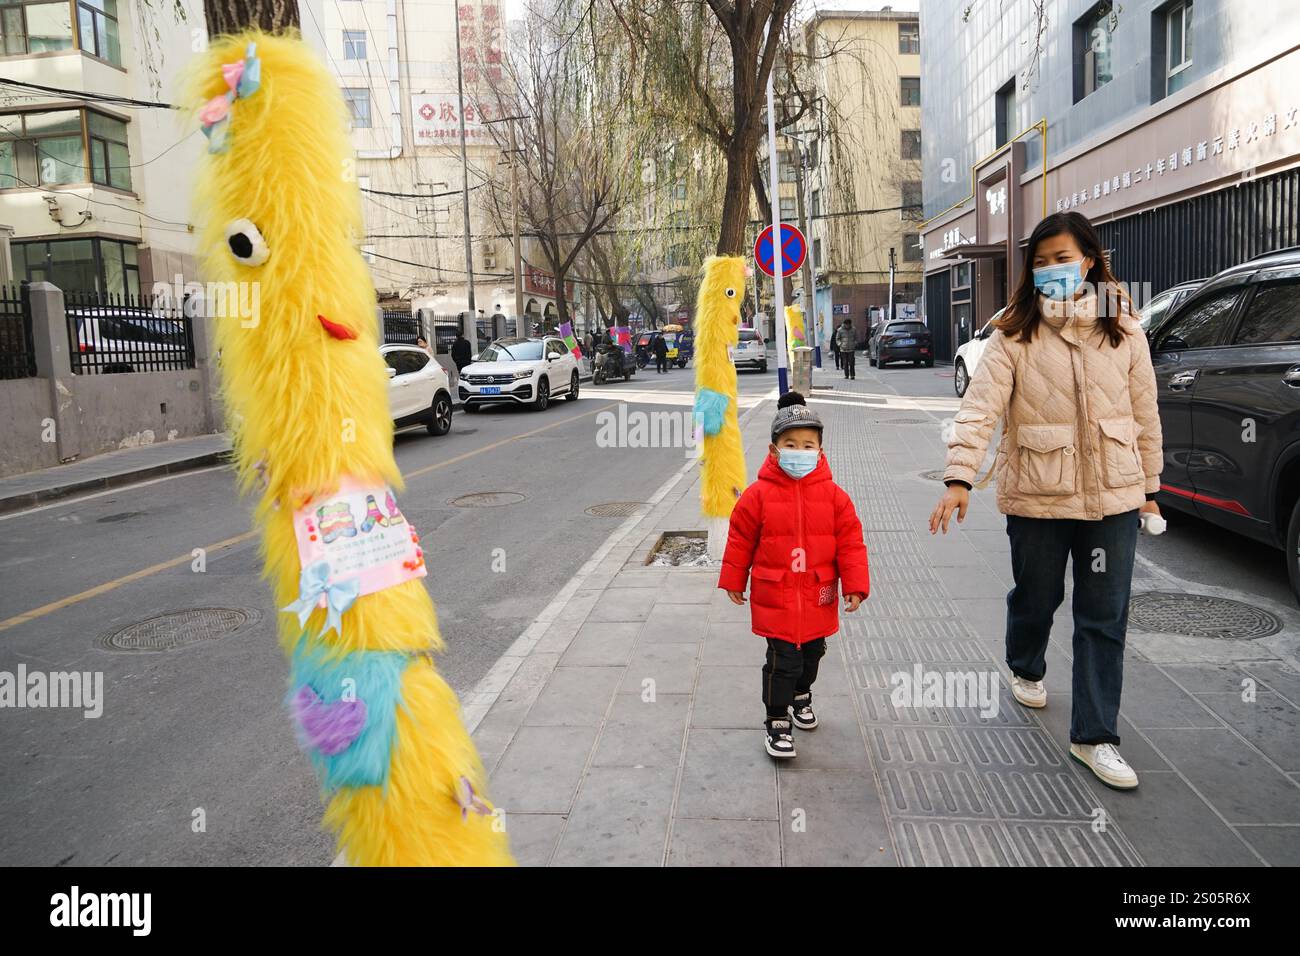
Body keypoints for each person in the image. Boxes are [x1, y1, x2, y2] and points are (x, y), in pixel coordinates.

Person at [928, 210, 1163, 791]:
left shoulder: (1124, 328)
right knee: (1037, 594)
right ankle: (1025, 662)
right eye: (1041, 262)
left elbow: (1145, 415)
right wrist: (960, 476)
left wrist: (1151, 491)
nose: (1053, 271)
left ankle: (1095, 737)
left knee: (1103, 617)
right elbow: (980, 409)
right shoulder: (1012, 334)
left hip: (1113, 495)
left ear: (1089, 260)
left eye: (1063, 259)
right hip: (1036, 494)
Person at [719, 392, 870, 759]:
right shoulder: (757, 496)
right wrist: (734, 580)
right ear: (774, 450)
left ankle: (803, 695)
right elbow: (740, 539)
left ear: (819, 450)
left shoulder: (835, 497)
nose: (799, 451)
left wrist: (855, 586)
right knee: (783, 660)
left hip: (818, 594)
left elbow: (851, 543)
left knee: (813, 655)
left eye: (807, 444)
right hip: (777, 597)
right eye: (790, 444)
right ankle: (776, 719)